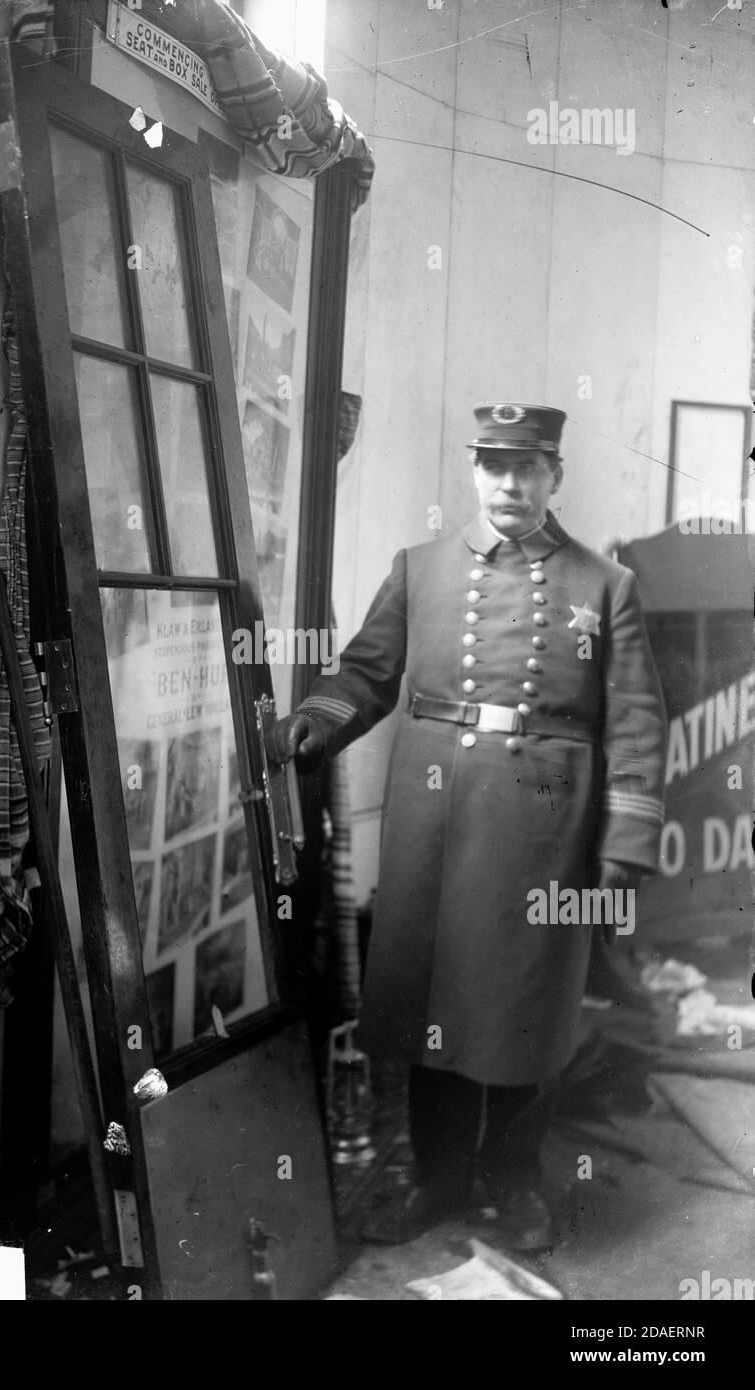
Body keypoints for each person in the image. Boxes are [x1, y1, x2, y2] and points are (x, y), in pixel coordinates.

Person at [267, 403, 667, 1250]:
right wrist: (318, 720)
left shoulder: (606, 586)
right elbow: (369, 671)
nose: (510, 485)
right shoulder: (421, 569)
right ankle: (442, 1180)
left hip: (548, 831)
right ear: (473, 472)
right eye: (494, 467)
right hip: (436, 820)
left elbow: (634, 723)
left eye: (528, 468)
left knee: (530, 1013)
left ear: (555, 474)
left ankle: (516, 1183)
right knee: (431, 1007)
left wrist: (625, 845)